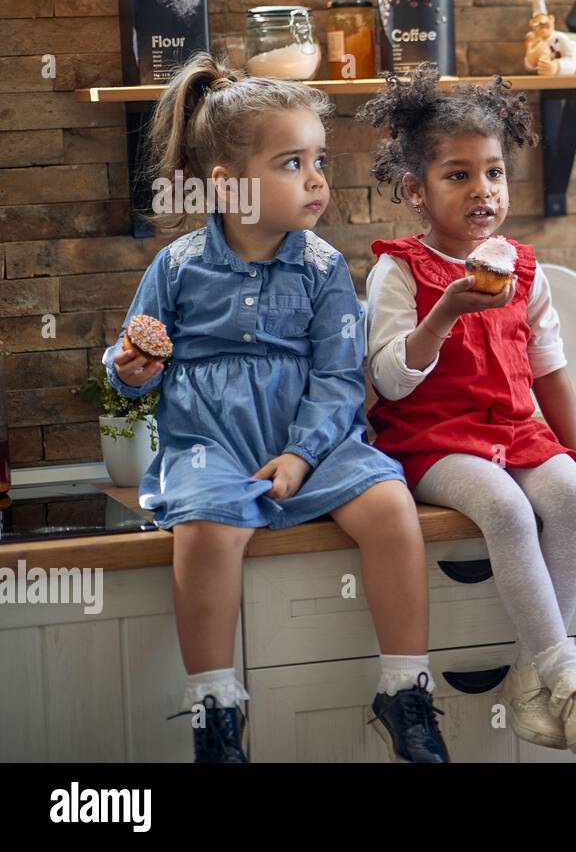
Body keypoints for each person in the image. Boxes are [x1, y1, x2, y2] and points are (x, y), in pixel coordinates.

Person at [105, 54, 447, 763]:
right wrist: (132, 367)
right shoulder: (175, 269)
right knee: (204, 527)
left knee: (390, 507)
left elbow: (338, 382)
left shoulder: (322, 269)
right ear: (228, 185)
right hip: (212, 446)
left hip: (313, 444)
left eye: (318, 158)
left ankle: (405, 687)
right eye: (292, 162)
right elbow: (132, 369)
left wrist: (300, 455)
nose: (317, 178)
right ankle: (215, 708)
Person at [358, 64, 576, 754]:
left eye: (495, 173)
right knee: (503, 508)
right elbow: (389, 382)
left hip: (516, 431)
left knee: (570, 497)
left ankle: (532, 676)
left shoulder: (523, 269)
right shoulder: (400, 269)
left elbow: (550, 370)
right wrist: (444, 312)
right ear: (416, 189)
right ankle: (569, 676)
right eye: (458, 175)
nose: (483, 190)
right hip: (433, 441)